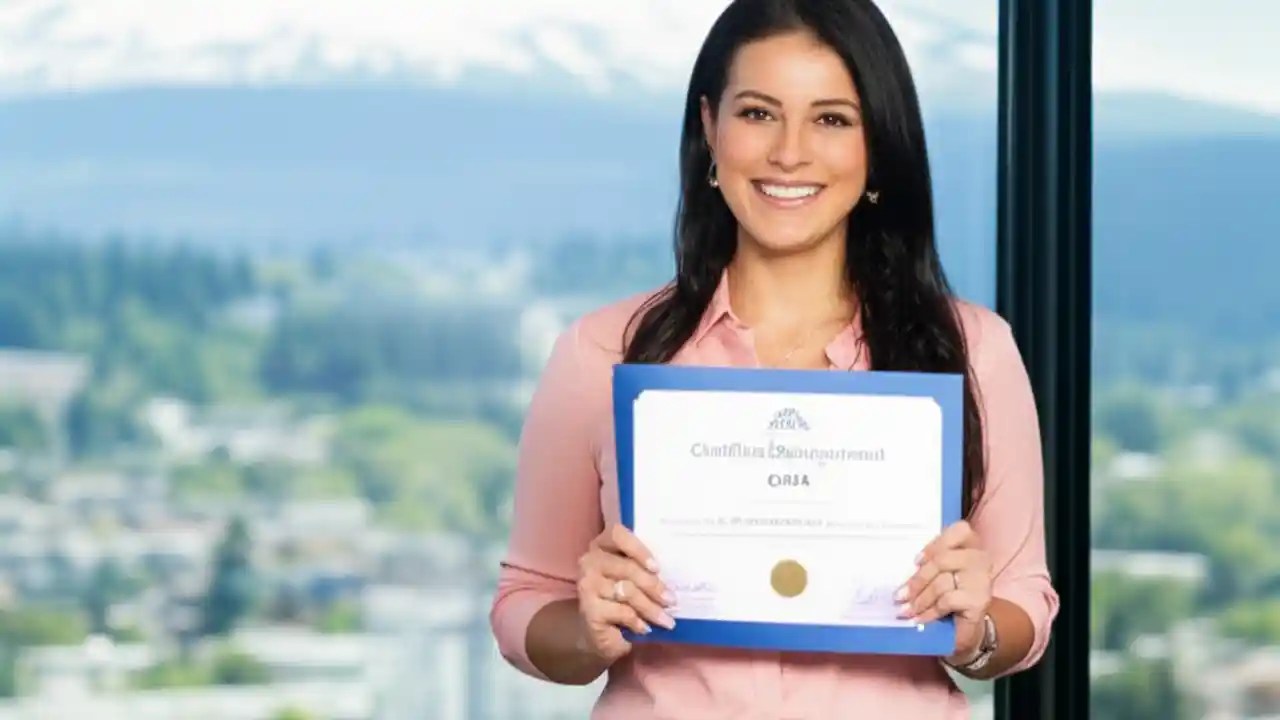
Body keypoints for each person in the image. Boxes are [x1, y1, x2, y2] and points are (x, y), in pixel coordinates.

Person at [490, 0, 1059, 716]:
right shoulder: (601, 352)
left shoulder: (973, 350)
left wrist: (970, 629)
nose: (790, 152)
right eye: (758, 113)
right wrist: (589, 628)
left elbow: (1026, 607)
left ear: (875, 146)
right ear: (709, 130)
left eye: (831, 119)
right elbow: (524, 605)